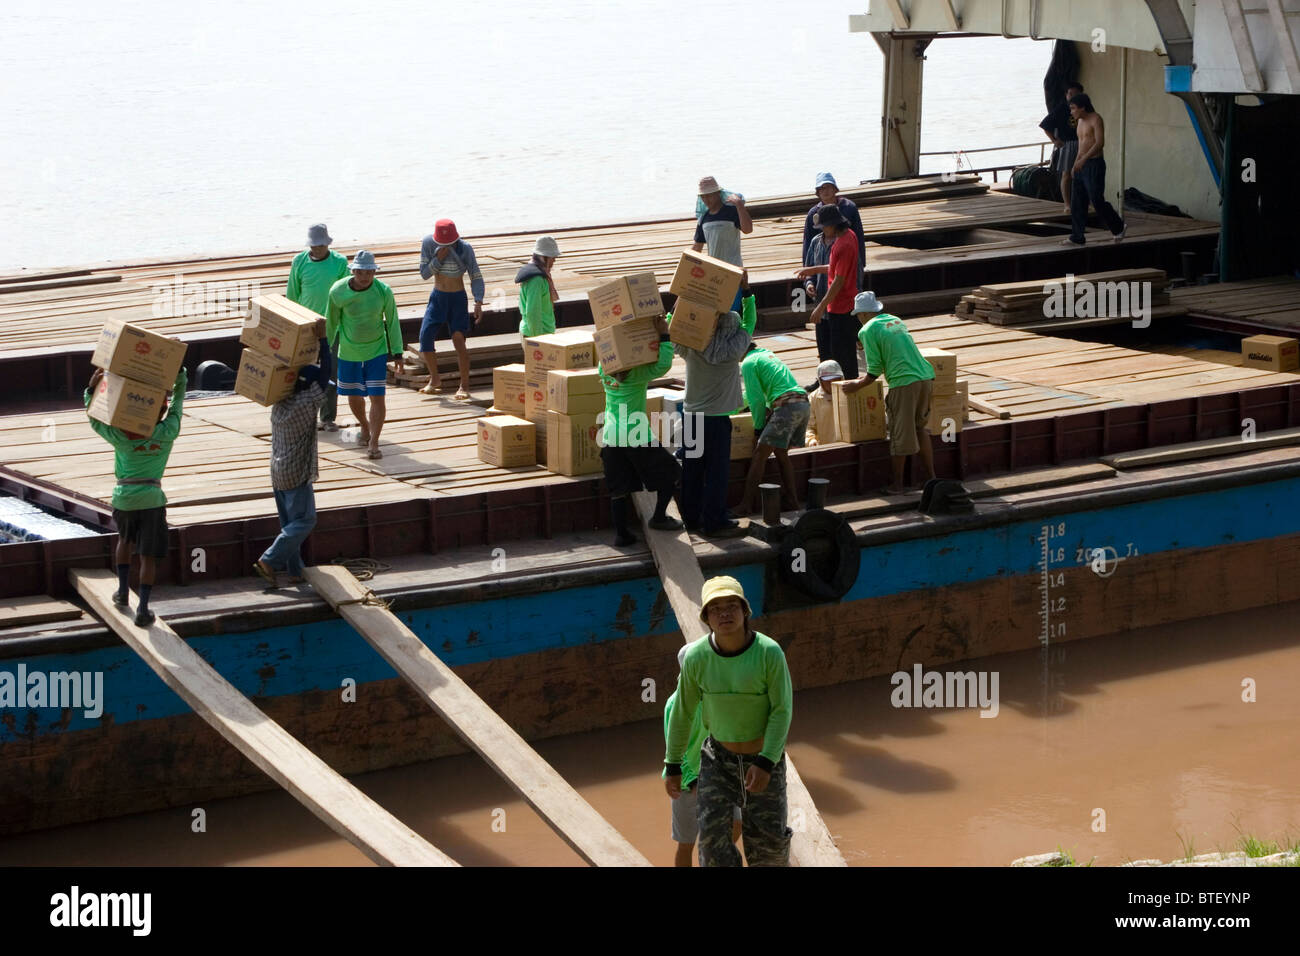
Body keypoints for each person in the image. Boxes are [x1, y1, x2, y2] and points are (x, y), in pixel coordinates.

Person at [663, 576, 793, 867]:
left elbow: (782, 710)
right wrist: (672, 764)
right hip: (717, 761)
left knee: (769, 848)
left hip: (761, 761)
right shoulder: (697, 657)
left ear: (745, 611)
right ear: (706, 617)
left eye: (731, 606)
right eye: (715, 608)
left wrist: (766, 761)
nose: (724, 613)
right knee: (712, 847)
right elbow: (682, 712)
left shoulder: (769, 653)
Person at [85, 364, 188, 627]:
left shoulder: (121, 437)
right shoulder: (167, 433)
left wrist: (90, 390)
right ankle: (143, 608)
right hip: (152, 497)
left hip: (124, 495)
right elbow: (178, 404)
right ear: (160, 412)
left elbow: (94, 417)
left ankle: (121, 592)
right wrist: (179, 375)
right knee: (148, 556)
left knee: (125, 541)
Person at [670, 279, 757, 539]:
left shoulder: (692, 346)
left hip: (692, 417)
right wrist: (747, 291)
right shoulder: (734, 348)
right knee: (717, 473)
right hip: (717, 419)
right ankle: (714, 521)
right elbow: (750, 322)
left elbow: (673, 330)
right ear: (731, 329)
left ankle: (691, 518)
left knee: (693, 469)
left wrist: (679, 304)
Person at [254, 327, 331, 588]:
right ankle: (268, 559)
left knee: (289, 524)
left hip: (277, 471)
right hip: (296, 472)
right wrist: (323, 340)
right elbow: (326, 373)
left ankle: (295, 571)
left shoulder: (281, 403)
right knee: (306, 521)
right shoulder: (306, 403)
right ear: (308, 386)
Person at [598, 314, 682, 547]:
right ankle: (659, 517)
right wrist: (663, 334)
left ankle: (622, 534)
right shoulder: (637, 374)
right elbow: (664, 364)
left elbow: (609, 352)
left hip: (611, 436)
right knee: (672, 473)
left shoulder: (604, 371)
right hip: (636, 435)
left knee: (619, 488)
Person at [842, 292, 936, 494]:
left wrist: (856, 386)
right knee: (920, 428)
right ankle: (931, 479)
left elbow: (874, 369)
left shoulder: (867, 330)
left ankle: (898, 485)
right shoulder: (895, 320)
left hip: (904, 383)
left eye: (858, 315)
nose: (858, 319)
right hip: (925, 377)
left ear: (864, 314)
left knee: (899, 435)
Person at [664, 639, 743, 867]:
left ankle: (711, 857)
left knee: (737, 823)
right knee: (686, 843)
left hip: (720, 775)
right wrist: (690, 779)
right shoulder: (675, 704)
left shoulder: (715, 697)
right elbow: (673, 751)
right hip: (687, 781)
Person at [325, 250, 404, 460]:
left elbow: (393, 322)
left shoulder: (383, 291)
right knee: (354, 396)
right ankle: (364, 425)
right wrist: (325, 349)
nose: (365, 277)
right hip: (349, 352)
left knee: (377, 396)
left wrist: (397, 352)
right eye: (361, 272)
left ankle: (374, 443)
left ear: (374, 272)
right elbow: (331, 322)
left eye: (369, 272)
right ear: (353, 271)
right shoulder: (338, 291)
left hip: (376, 351)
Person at [285, 223, 350, 432]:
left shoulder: (339, 262)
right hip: (305, 326)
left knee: (330, 372)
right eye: (313, 246)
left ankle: (328, 418)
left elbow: (346, 293)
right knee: (301, 371)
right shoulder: (299, 261)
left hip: (332, 326)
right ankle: (301, 415)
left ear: (327, 244)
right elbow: (292, 293)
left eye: (320, 246)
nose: (317, 249)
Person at [736, 341, 809, 515]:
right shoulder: (766, 355)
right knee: (781, 452)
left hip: (787, 406)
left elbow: (756, 400)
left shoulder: (748, 363)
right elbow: (763, 392)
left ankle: (746, 504)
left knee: (759, 454)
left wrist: (758, 430)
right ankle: (792, 500)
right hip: (802, 403)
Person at [418, 219, 485, 401]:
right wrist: (437, 259)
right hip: (438, 297)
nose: (446, 245)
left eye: (449, 242)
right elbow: (424, 273)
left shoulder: (465, 248)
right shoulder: (428, 243)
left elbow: (475, 275)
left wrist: (478, 301)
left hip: (457, 298)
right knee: (425, 336)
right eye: (442, 242)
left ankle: (464, 386)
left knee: (458, 339)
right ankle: (435, 379)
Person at [794, 204, 860, 378]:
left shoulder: (843, 244)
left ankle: (845, 389)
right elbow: (836, 268)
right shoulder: (849, 236)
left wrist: (821, 306)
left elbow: (839, 280)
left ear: (832, 224)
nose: (822, 229)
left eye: (824, 226)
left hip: (841, 306)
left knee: (841, 357)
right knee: (843, 352)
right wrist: (813, 270)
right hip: (841, 304)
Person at [1062, 92, 1126, 246]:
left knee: (1096, 199)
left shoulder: (1096, 119)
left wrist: (1084, 159)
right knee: (1078, 201)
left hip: (1094, 164)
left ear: (1082, 107)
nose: (1071, 112)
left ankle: (1118, 226)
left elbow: (1099, 143)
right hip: (1081, 165)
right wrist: (1075, 163)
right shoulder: (1079, 122)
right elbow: (1081, 145)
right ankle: (1077, 236)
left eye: (1073, 108)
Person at [692, 176, 752, 315]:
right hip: (713, 273)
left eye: (710, 196)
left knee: (734, 312)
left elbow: (748, 229)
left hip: (734, 270)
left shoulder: (732, 212)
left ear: (718, 194)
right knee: (717, 314)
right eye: (703, 197)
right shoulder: (704, 218)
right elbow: (697, 247)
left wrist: (739, 206)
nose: (706, 200)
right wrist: (684, 267)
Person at [802, 172, 865, 291]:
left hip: (846, 261)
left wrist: (860, 267)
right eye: (821, 188)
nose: (825, 191)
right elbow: (808, 247)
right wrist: (809, 280)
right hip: (822, 263)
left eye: (828, 187)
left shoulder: (849, 208)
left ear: (835, 189)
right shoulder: (813, 214)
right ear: (818, 192)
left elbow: (859, 239)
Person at [1039, 83, 1084, 213]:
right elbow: (1045, 125)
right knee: (1066, 174)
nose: (1073, 97)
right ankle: (1067, 204)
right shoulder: (1061, 109)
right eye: (1070, 94)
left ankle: (1083, 202)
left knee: (1083, 174)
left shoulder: (1085, 108)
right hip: (1068, 144)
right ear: (1066, 95)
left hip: (1083, 143)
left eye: (1076, 94)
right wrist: (1054, 140)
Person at [516, 236, 561, 345]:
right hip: (537, 336)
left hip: (542, 334)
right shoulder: (536, 280)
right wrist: (538, 341)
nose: (555, 259)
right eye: (552, 256)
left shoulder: (541, 274)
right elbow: (532, 312)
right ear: (543, 257)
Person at [805, 359, 843, 447]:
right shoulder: (813, 399)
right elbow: (808, 426)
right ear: (820, 381)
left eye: (835, 379)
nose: (831, 383)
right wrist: (811, 440)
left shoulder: (850, 393)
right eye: (827, 380)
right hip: (826, 447)